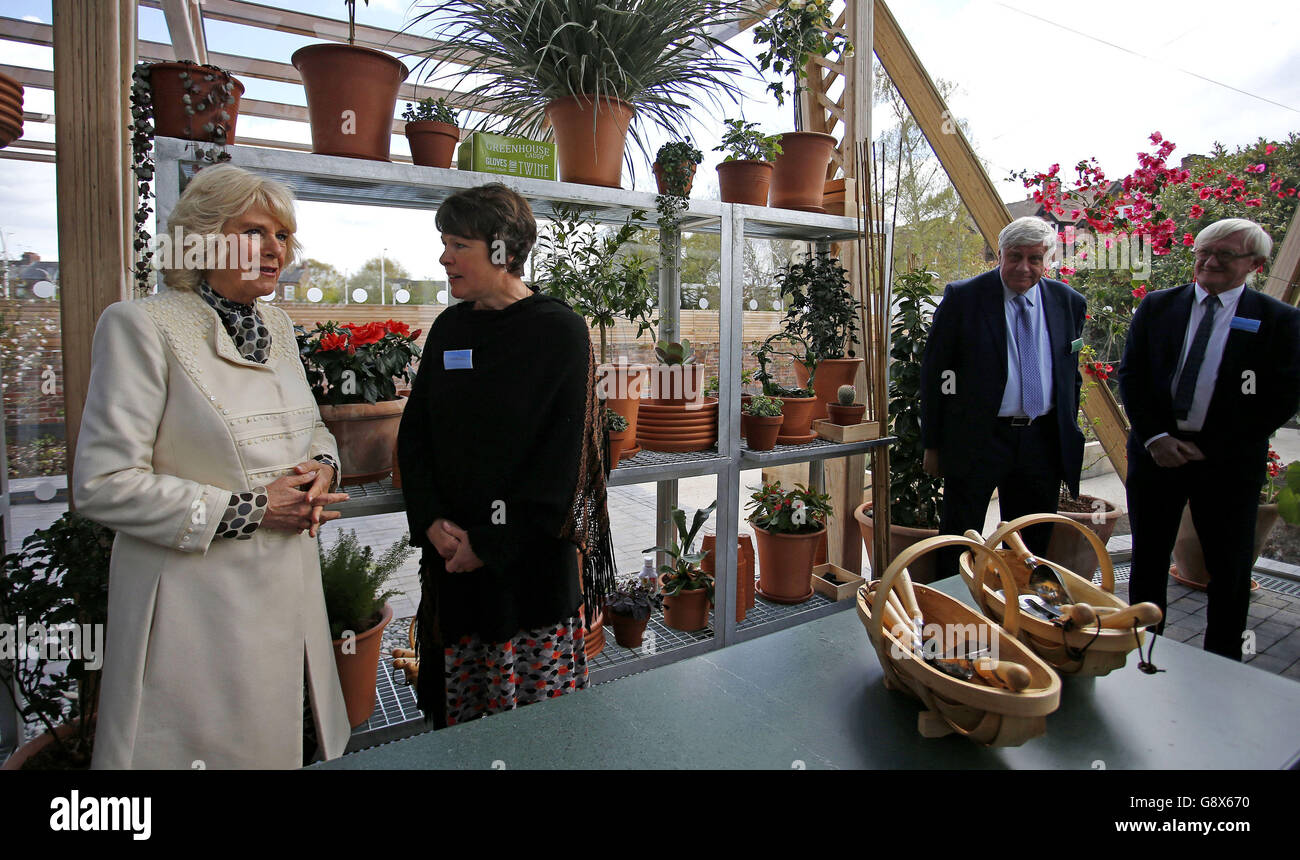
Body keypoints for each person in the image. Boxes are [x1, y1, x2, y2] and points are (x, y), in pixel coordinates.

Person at [74, 164, 352, 768]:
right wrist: (251, 509)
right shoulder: (140, 326)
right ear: (199, 240)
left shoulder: (275, 326)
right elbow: (101, 485)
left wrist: (323, 468)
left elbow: (313, 429)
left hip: (286, 600)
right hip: (192, 616)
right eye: (255, 232)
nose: (274, 249)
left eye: (282, 236)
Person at [397, 183, 615, 729]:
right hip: (455, 572)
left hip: (530, 573)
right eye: (444, 243)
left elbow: (564, 461)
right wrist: (431, 522)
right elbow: (416, 434)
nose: (444, 257)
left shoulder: (558, 331)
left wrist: (490, 544)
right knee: (463, 727)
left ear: (502, 251)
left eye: (458, 244)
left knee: (538, 733)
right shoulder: (450, 329)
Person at [1119, 218, 1300, 660]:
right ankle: (1140, 651)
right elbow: (1132, 376)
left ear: (1255, 263)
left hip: (1228, 465)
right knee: (1148, 560)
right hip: (1156, 456)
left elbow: (1283, 395)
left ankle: (1222, 663)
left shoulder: (1278, 320)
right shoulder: (1158, 306)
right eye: (1204, 251)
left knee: (1230, 568)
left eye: (1226, 254)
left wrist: (1216, 447)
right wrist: (1157, 436)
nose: (1211, 262)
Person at [921, 216, 1088, 578]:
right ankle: (950, 617)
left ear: (1049, 260)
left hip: (1040, 441)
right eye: (1014, 256)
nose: (1023, 268)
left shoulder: (1069, 302)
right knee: (958, 536)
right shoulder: (964, 298)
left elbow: (1068, 374)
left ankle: (1022, 614)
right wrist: (934, 444)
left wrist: (1066, 428)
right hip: (979, 438)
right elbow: (936, 374)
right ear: (999, 255)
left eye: (1034, 259)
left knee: (1031, 543)